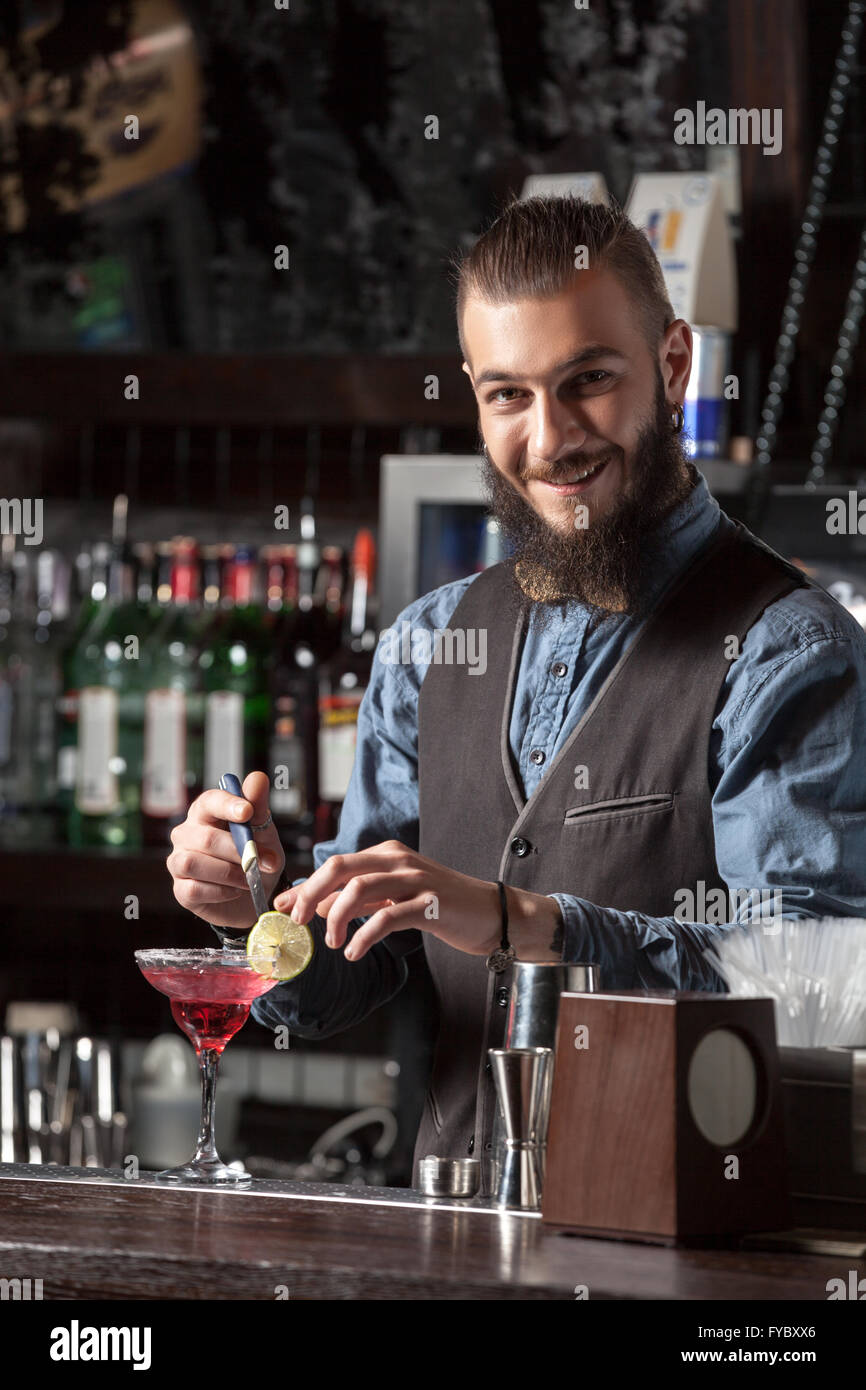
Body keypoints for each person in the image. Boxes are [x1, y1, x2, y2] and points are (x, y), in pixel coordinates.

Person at [167, 196, 866, 1191]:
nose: (550, 438)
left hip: (695, 1251)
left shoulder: (784, 651)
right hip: (452, 1237)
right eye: (508, 395)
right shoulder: (423, 645)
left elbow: (816, 991)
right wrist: (255, 913)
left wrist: (532, 926)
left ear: (671, 365)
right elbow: (347, 977)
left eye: (587, 380)